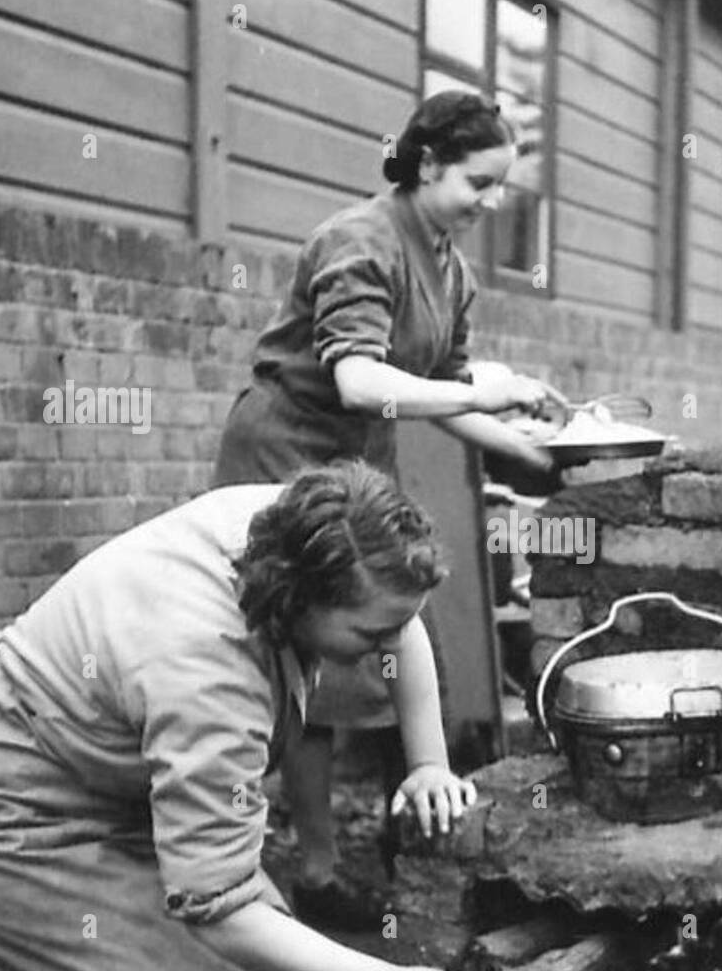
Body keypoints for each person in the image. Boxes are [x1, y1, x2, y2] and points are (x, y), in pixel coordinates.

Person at [0, 462, 496, 971]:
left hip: (108, 781)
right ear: (302, 597)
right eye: (371, 634)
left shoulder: (313, 529)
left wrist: (428, 764)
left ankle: (34, 949)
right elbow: (218, 906)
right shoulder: (208, 670)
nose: (387, 643)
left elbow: (398, 619)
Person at [213, 90, 561, 928]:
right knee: (311, 661)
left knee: (405, 624)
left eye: (501, 187)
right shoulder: (359, 241)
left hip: (361, 460)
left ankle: (423, 828)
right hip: (288, 452)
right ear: (428, 164)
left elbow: (447, 398)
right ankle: (319, 868)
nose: (492, 203)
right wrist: (485, 389)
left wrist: (532, 445)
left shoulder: (452, 268)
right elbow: (359, 380)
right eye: (479, 183)